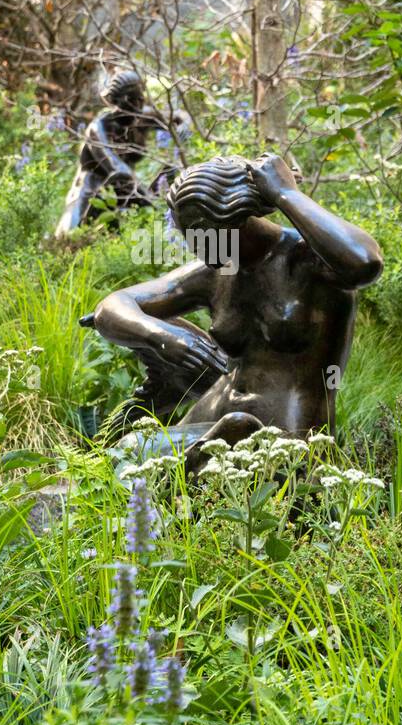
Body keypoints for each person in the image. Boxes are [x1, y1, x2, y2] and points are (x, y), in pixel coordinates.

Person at [89, 153, 383, 463]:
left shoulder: (308, 261)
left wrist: (286, 193)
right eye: (186, 236)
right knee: (130, 449)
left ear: (234, 219)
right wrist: (162, 336)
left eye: (200, 234)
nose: (193, 246)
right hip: (212, 417)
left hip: (285, 432)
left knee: (195, 466)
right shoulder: (217, 272)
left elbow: (365, 262)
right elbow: (111, 307)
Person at [55, 66, 173, 237]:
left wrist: (181, 131)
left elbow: (177, 120)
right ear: (119, 101)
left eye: (140, 99)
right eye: (133, 100)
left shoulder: (140, 118)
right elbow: (117, 170)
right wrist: (150, 200)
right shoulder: (98, 128)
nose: (138, 104)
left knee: (170, 172)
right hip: (92, 197)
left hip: (122, 194)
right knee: (76, 240)